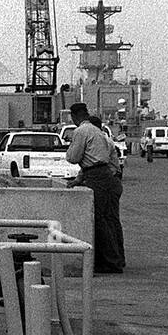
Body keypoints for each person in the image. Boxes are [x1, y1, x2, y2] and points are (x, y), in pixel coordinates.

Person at [65, 103, 125, 273]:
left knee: (100, 220)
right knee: (108, 220)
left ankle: (110, 262)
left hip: (97, 177)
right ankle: (115, 259)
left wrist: (70, 151)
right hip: (104, 175)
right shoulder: (97, 132)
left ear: (74, 116)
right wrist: (79, 179)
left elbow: (74, 157)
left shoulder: (81, 131)